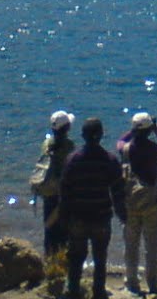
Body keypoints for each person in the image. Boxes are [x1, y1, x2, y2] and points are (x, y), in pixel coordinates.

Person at [58, 116, 128, 299]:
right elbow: (118, 192)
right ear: (101, 135)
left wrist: (63, 218)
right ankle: (98, 292)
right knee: (100, 258)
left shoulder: (72, 160)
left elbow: (65, 192)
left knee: (76, 258)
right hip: (101, 216)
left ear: (83, 135)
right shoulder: (110, 160)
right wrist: (123, 216)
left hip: (78, 217)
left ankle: (72, 291)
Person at [116, 111, 157, 294]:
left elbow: (120, 141)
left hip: (130, 201)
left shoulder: (125, 148)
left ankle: (132, 283)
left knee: (131, 244)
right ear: (149, 130)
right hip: (152, 201)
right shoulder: (154, 149)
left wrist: (132, 131)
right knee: (153, 246)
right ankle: (154, 286)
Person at [34, 110, 76, 258]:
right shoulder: (69, 146)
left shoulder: (46, 144)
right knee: (65, 234)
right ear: (67, 128)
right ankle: (62, 265)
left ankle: (49, 262)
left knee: (50, 231)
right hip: (63, 195)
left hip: (48, 192)